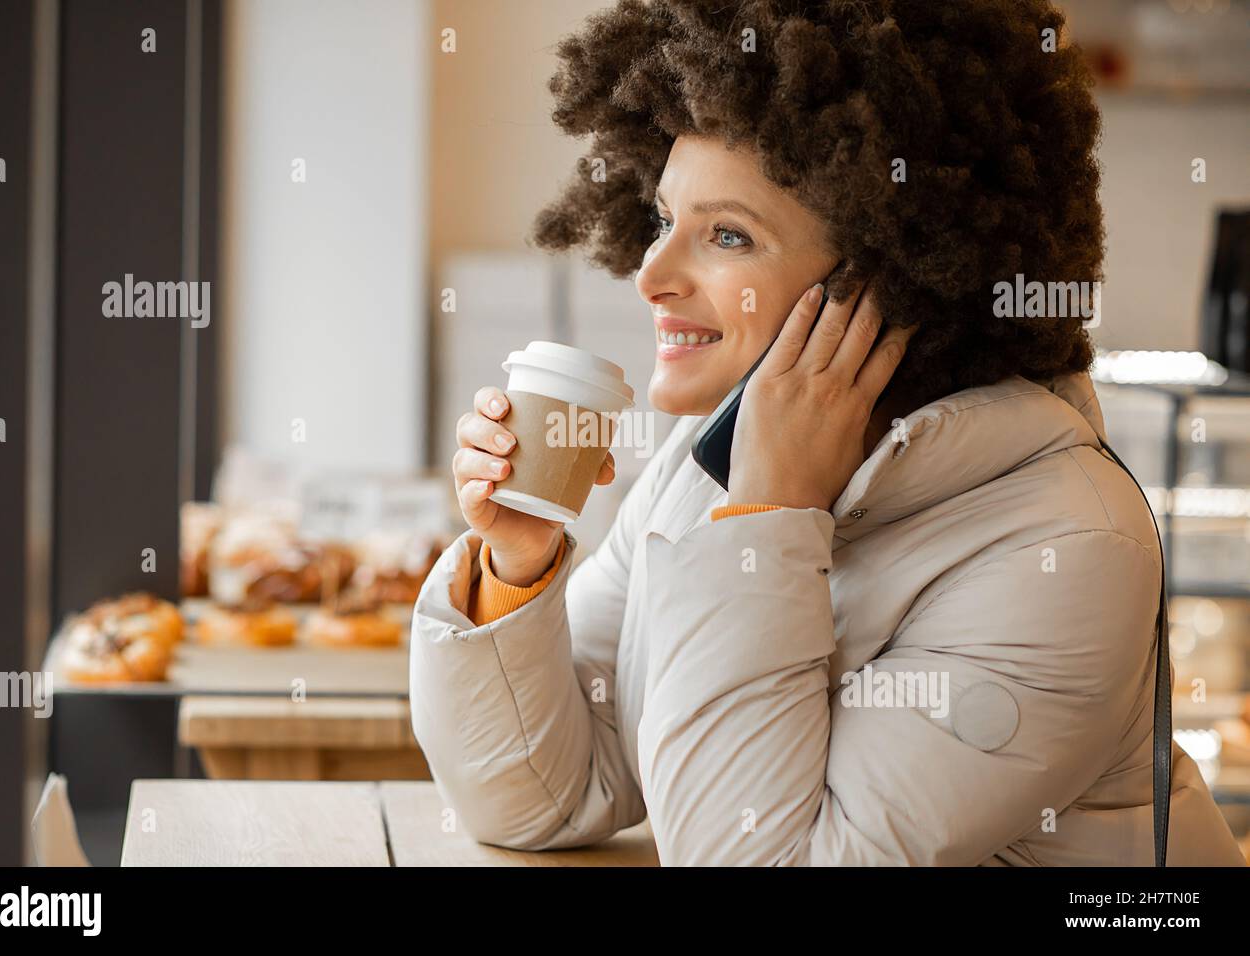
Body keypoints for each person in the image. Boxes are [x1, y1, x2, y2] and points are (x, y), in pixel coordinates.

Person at [409, 0, 1246, 865]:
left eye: (726, 235)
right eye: (664, 220)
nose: (650, 273)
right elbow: (541, 798)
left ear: (890, 277)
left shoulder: (1070, 547)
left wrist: (772, 517)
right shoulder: (703, 469)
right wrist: (518, 564)